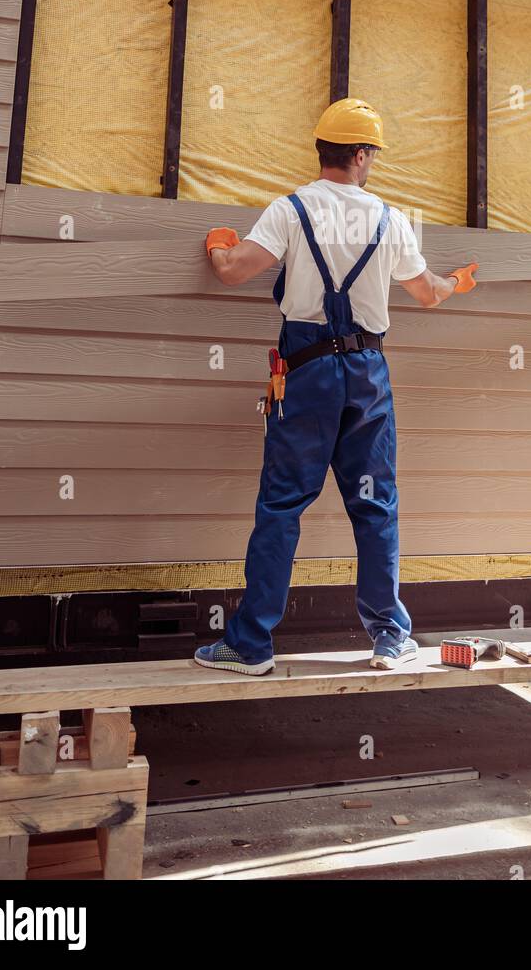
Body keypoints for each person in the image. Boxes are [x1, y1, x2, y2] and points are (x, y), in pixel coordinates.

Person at [193, 98, 478, 675]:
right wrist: (456, 281)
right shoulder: (390, 219)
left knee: (281, 506)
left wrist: (218, 243)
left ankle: (250, 646)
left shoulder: (291, 209)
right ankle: (391, 639)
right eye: (372, 152)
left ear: (323, 149)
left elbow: (232, 271)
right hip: (367, 375)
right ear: (360, 154)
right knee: (375, 505)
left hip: (305, 374)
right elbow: (426, 293)